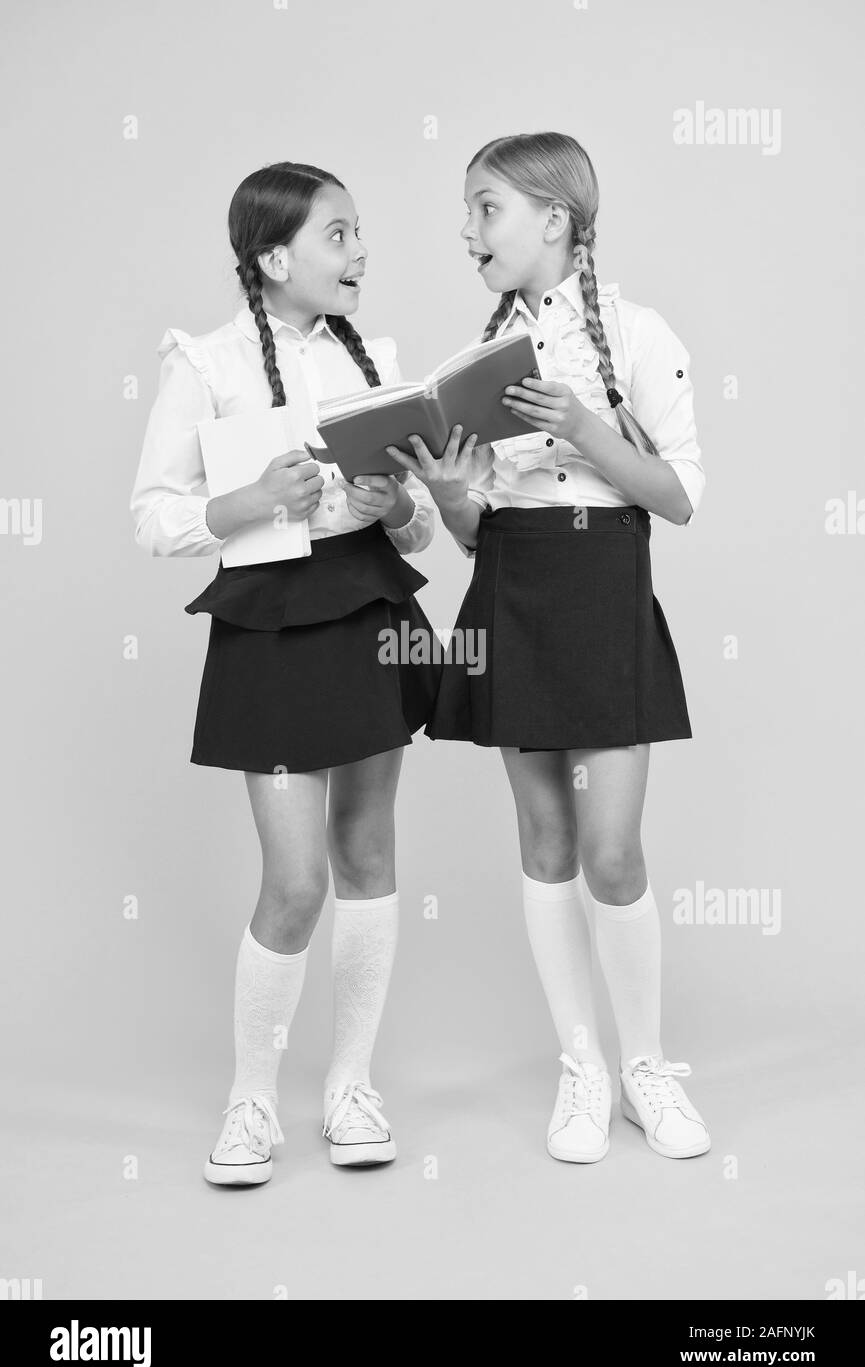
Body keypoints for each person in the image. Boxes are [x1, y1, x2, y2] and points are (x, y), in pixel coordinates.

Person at [386, 131, 710, 1163]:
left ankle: (645, 1067)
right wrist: (445, 491)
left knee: (613, 853)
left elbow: (680, 497)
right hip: (512, 591)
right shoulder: (467, 369)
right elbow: (476, 532)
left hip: (606, 586)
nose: (468, 230)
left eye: (486, 208)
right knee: (546, 843)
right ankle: (582, 1064)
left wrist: (585, 426)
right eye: (468, 210)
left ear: (554, 221)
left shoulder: (641, 334)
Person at [130, 161, 439, 1185]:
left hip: (369, 606)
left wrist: (396, 500)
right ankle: (250, 1100)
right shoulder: (206, 361)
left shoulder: (375, 360)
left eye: (359, 234)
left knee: (365, 852)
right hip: (270, 619)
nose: (360, 254)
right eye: (340, 236)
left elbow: (421, 520)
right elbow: (155, 516)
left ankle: (350, 1087)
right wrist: (256, 496)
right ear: (275, 256)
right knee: (296, 881)